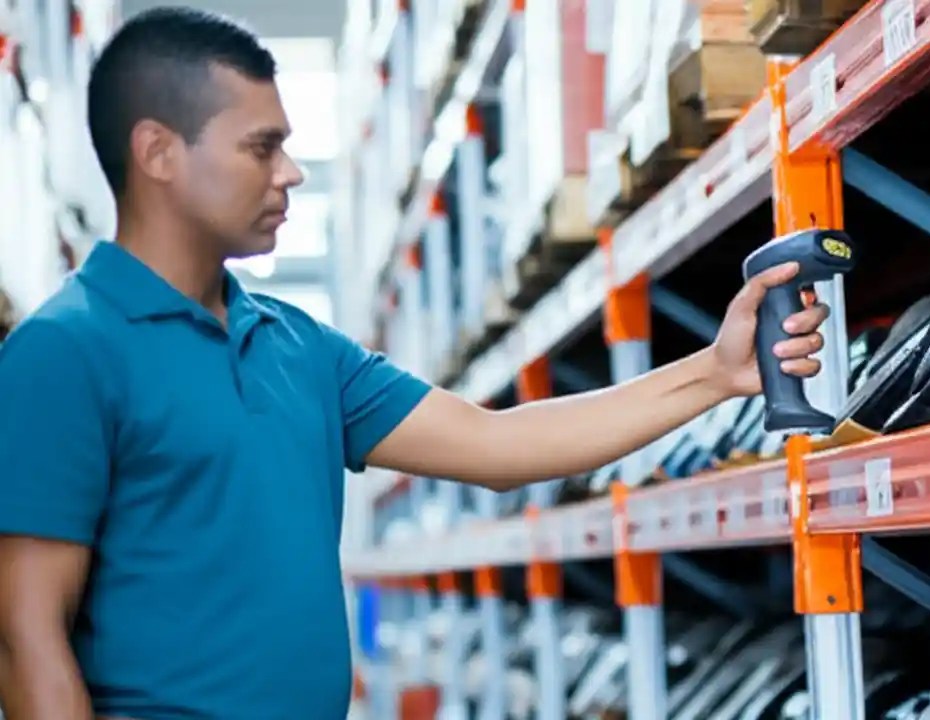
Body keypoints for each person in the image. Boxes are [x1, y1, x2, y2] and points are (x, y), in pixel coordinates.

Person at [0, 7, 831, 720]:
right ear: (158, 153)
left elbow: (497, 446)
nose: (289, 172)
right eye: (262, 147)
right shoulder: (62, 354)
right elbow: (26, 640)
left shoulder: (298, 345)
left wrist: (716, 372)